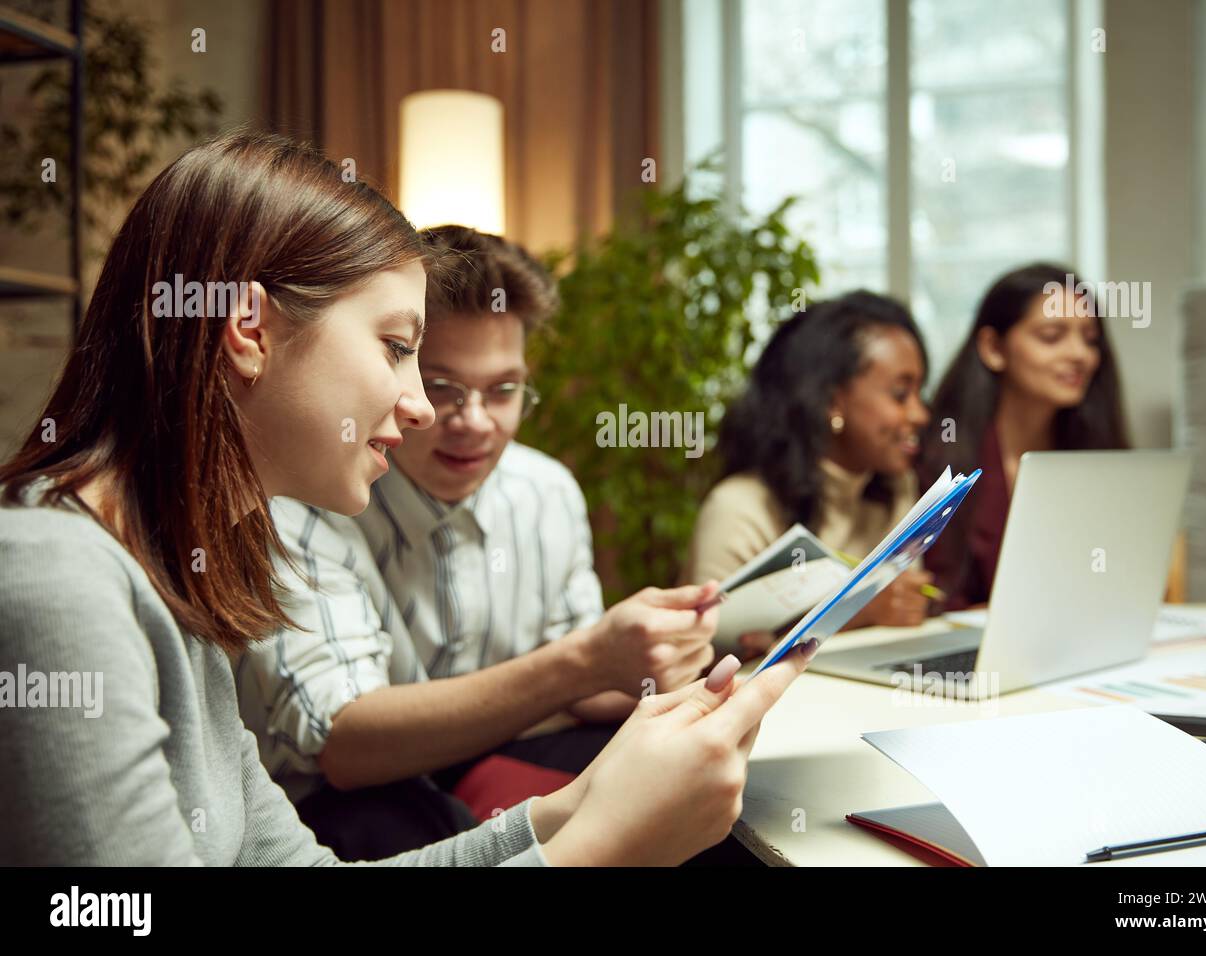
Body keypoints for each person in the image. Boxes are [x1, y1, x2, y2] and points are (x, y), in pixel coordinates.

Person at [0, 129, 811, 867]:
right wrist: (601, 848)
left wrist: (573, 810)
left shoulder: (178, 582)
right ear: (249, 330)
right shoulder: (55, 577)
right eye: (396, 348)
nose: (423, 406)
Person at [237, 226, 717, 857]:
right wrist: (583, 661)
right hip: (336, 799)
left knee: (689, 783)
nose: (474, 422)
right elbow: (345, 747)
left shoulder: (546, 490)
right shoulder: (304, 494)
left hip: (496, 755)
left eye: (504, 390)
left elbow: (581, 685)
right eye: (442, 387)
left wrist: (651, 663)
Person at [685, 291, 935, 659]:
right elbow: (701, 658)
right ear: (832, 402)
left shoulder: (895, 488)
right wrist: (855, 613)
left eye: (919, 392)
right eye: (901, 394)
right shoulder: (740, 508)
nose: (921, 414)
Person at [918, 263, 1129, 610]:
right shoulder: (939, 460)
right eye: (1051, 336)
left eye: (1090, 339)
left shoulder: (1097, 452)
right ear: (993, 348)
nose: (1080, 355)